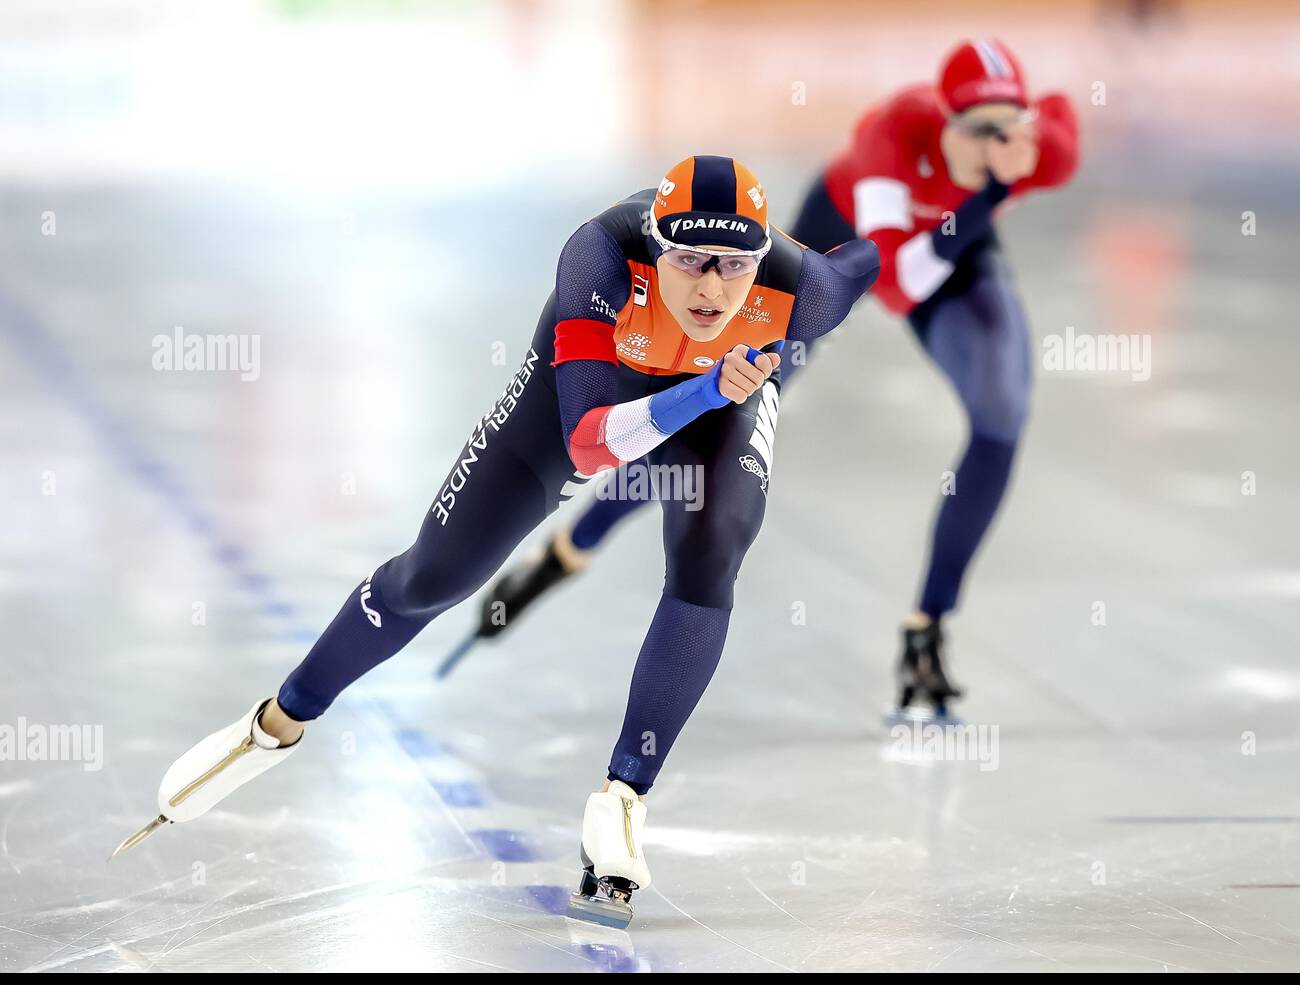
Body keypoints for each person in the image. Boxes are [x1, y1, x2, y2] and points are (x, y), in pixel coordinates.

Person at [113, 156, 880, 928]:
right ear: (655, 246)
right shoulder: (601, 256)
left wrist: (924, 213)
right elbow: (587, 446)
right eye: (688, 262)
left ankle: (623, 796)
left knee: (712, 555)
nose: (712, 290)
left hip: (721, 405)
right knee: (434, 577)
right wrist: (712, 384)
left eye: (734, 266)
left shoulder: (804, 291)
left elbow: (863, 257)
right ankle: (277, 720)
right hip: (587, 401)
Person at [459, 39, 1079, 723]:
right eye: (978, 131)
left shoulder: (1043, 146)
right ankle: (572, 546)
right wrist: (994, 187)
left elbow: (975, 219)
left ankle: (926, 627)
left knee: (1003, 414)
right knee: (714, 410)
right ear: (943, 121)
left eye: (1009, 129)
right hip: (847, 239)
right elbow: (900, 283)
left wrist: (993, 187)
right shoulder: (895, 136)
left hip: (955, 243)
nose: (996, 145)